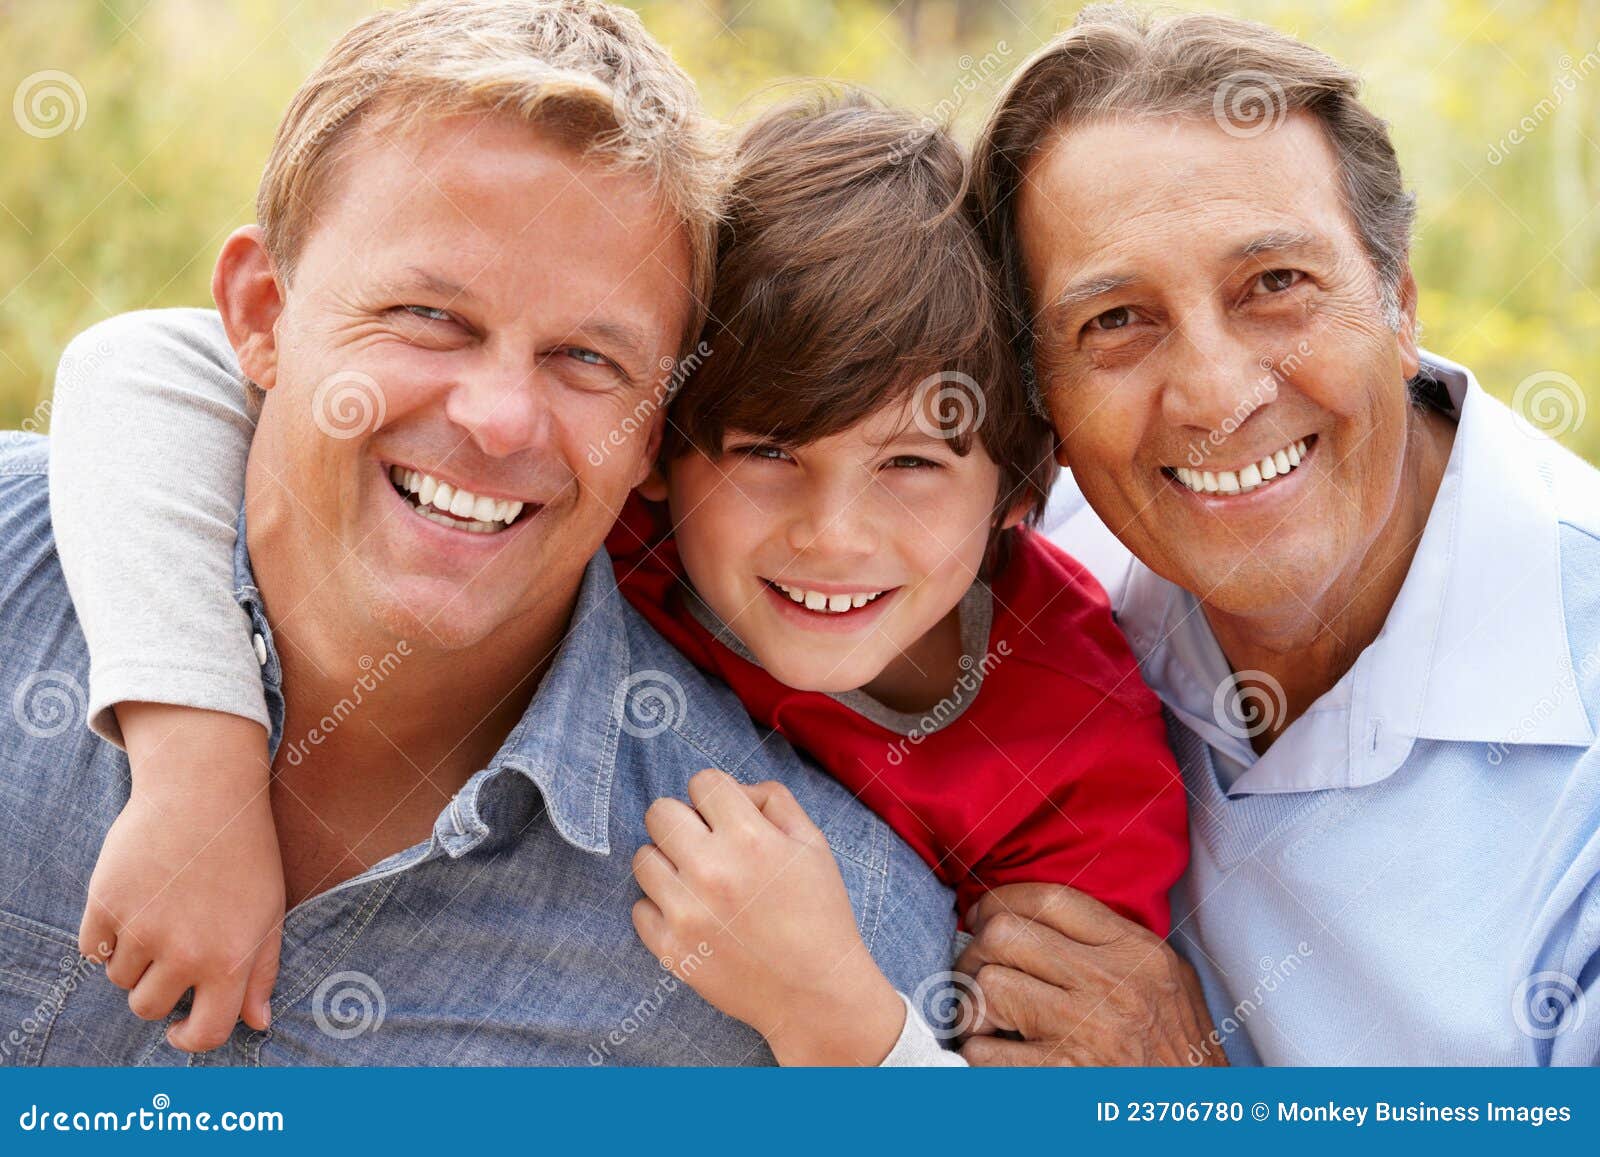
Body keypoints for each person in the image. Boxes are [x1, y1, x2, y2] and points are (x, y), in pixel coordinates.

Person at [45, 89, 1188, 1063]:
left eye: (911, 464)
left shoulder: (1079, 765)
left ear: (1020, 485)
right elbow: (146, 360)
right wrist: (198, 771)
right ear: (659, 445)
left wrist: (836, 1015)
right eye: (767, 452)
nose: (833, 536)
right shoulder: (596, 507)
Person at [949, 4, 1600, 1066]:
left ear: (1397, 302)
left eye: (1276, 285)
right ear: (1041, 400)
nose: (1214, 397)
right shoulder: (1011, 579)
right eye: (1115, 321)